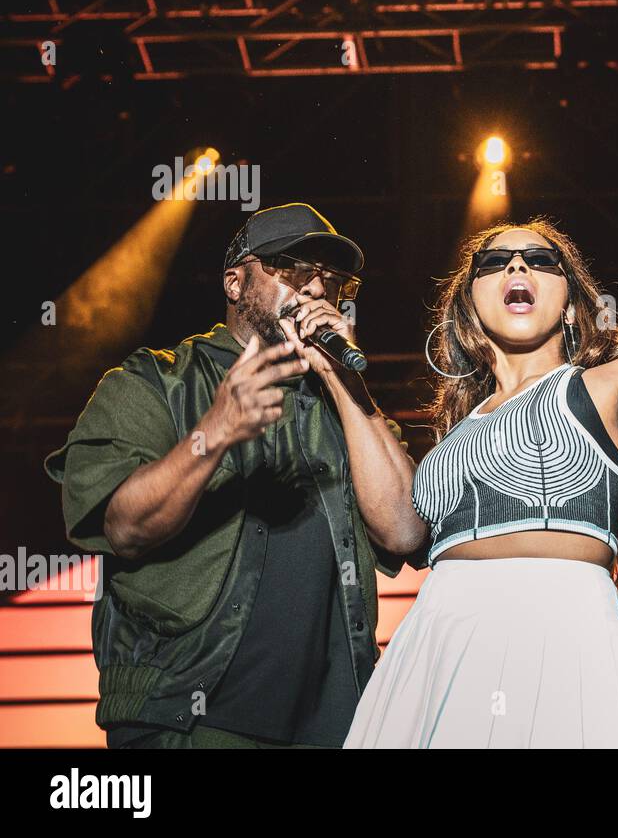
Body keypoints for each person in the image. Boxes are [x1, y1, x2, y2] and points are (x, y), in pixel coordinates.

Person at [45, 203, 420, 748]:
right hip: (192, 717)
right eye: (293, 268)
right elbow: (124, 526)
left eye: (332, 278)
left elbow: (406, 529)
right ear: (236, 281)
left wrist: (343, 383)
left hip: (333, 726)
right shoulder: (154, 382)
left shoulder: (346, 404)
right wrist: (214, 433)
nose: (317, 287)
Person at [343, 218, 618, 748]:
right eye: (494, 262)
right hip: (439, 637)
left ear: (569, 303)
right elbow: (401, 535)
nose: (517, 266)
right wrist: (342, 380)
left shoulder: (612, 381)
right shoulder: (458, 430)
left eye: (540, 260)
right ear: (471, 305)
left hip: (560, 629)